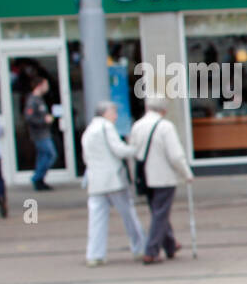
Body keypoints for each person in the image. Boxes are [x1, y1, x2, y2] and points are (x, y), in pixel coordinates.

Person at [129, 96, 194, 265]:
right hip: (163, 176)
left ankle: (170, 244)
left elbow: (134, 151)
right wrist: (186, 173)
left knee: (158, 211)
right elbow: (175, 155)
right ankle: (151, 251)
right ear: (164, 110)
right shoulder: (165, 127)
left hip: (144, 176)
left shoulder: (137, 126)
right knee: (160, 213)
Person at [80, 101, 145, 266]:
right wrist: (136, 149)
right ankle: (140, 247)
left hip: (96, 181)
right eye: (114, 113)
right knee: (128, 215)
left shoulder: (88, 130)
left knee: (97, 219)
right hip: (113, 180)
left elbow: (86, 157)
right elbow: (119, 150)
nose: (115, 116)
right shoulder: (106, 128)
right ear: (105, 113)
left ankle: (95, 254)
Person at [24, 77, 57, 190]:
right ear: (40, 85)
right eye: (45, 84)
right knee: (50, 154)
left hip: (44, 133)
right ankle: (37, 178)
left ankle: (40, 180)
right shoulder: (33, 100)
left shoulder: (39, 99)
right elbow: (29, 118)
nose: (47, 87)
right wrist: (44, 120)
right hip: (39, 135)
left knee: (44, 156)